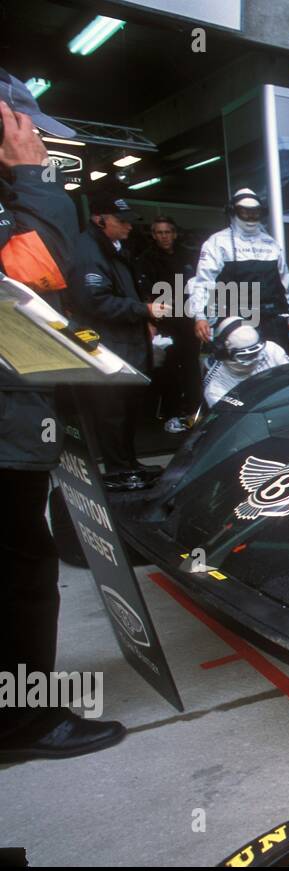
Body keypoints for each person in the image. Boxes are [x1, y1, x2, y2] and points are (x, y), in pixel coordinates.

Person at [0, 78, 126, 761]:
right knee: (19, 576)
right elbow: (41, 272)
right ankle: (21, 723)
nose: (33, 139)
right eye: (22, 127)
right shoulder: (22, 188)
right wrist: (30, 177)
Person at [71, 194, 168, 490]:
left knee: (126, 410)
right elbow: (94, 301)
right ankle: (116, 471)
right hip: (107, 345)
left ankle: (128, 464)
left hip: (127, 343)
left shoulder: (114, 248)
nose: (128, 227)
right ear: (100, 220)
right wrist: (144, 310)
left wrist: (145, 319)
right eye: (121, 221)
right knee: (111, 412)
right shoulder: (88, 251)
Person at [187, 187, 289, 352]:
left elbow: (284, 286)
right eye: (245, 212)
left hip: (271, 322)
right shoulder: (217, 243)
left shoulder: (271, 244)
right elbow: (203, 282)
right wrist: (200, 316)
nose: (250, 217)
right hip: (234, 322)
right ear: (233, 212)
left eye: (255, 213)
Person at [134, 216, 199, 433]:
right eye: (159, 232)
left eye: (168, 232)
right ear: (153, 235)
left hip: (188, 319)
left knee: (191, 368)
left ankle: (194, 413)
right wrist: (151, 322)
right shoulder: (145, 260)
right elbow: (145, 295)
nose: (164, 236)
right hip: (164, 322)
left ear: (175, 233)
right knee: (169, 370)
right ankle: (171, 415)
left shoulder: (187, 255)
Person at [202, 317, 289, 408]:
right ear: (223, 353)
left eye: (255, 353)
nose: (253, 359)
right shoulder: (215, 389)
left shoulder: (271, 350)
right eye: (244, 356)